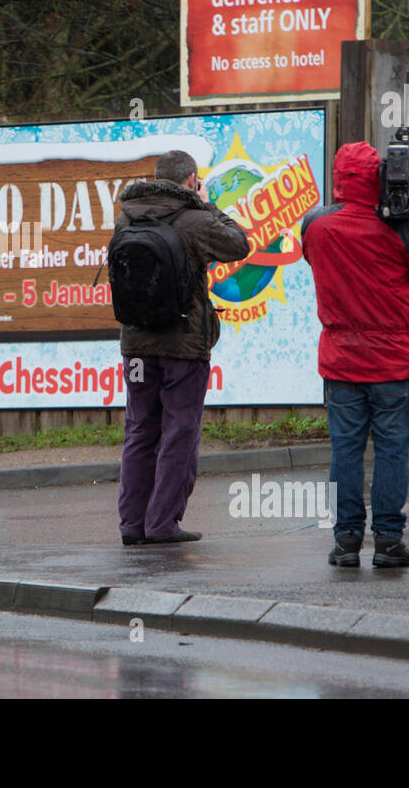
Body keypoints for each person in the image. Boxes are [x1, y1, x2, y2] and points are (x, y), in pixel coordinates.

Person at [300, 141, 409, 568]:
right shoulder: (400, 228)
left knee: (345, 451)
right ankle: (388, 541)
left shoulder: (317, 228)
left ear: (339, 179)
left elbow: (311, 250)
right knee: (391, 451)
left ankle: (346, 540)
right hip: (392, 361)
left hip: (341, 358)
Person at [113, 150, 250, 545]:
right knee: (179, 431)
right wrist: (209, 205)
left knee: (139, 430)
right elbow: (239, 244)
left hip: (135, 343)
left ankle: (131, 525)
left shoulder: (126, 216)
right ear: (192, 179)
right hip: (183, 344)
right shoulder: (194, 219)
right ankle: (162, 524)